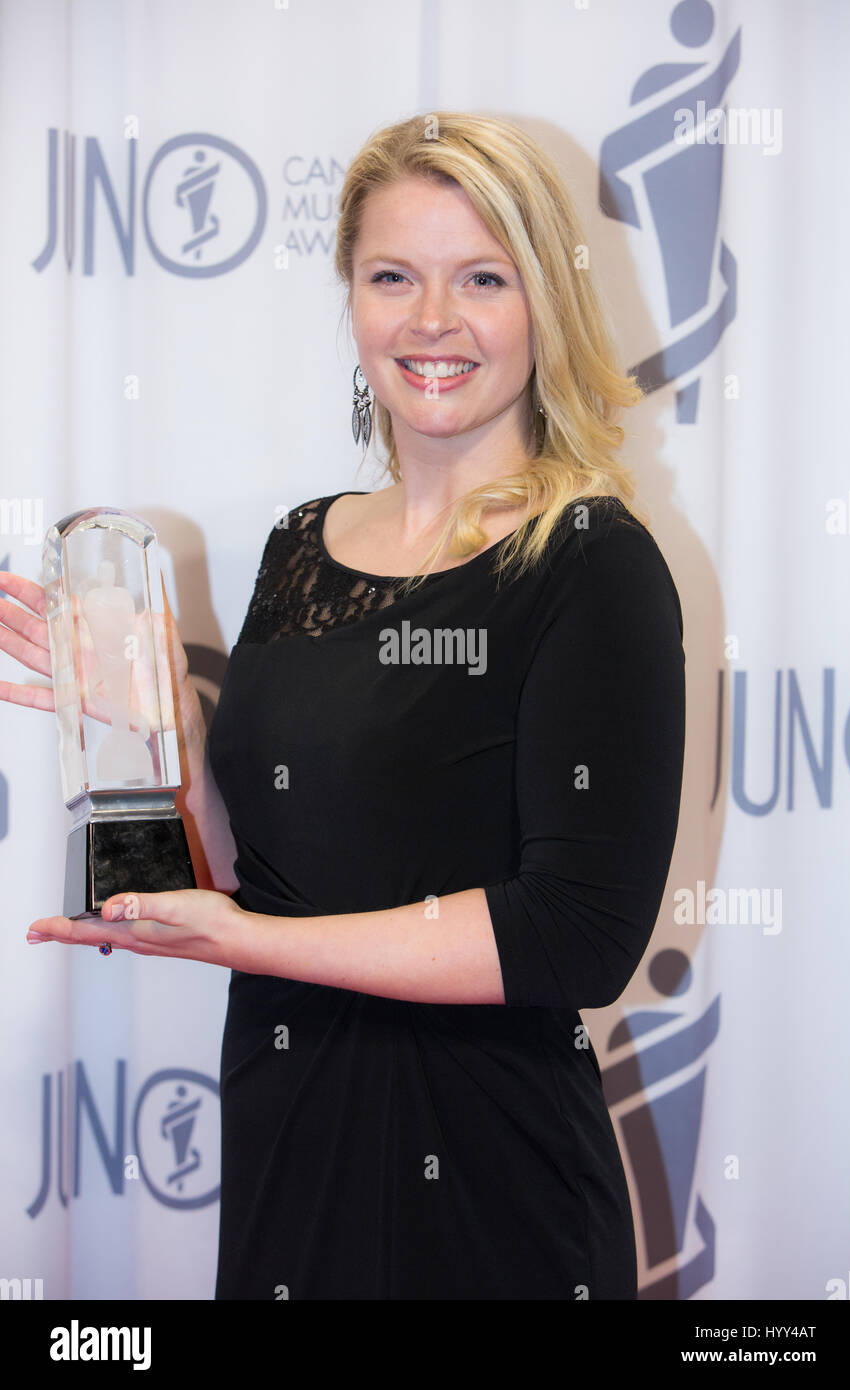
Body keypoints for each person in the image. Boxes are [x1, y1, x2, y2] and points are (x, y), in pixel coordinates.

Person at [0, 112, 685, 1300]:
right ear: (351, 301)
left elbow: (577, 933)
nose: (431, 320)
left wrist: (251, 946)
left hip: (491, 1173)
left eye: (481, 276)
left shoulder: (592, 560)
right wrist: (162, 724)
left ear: (544, 306)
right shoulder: (298, 545)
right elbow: (250, 867)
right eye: (391, 277)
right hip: (287, 1127)